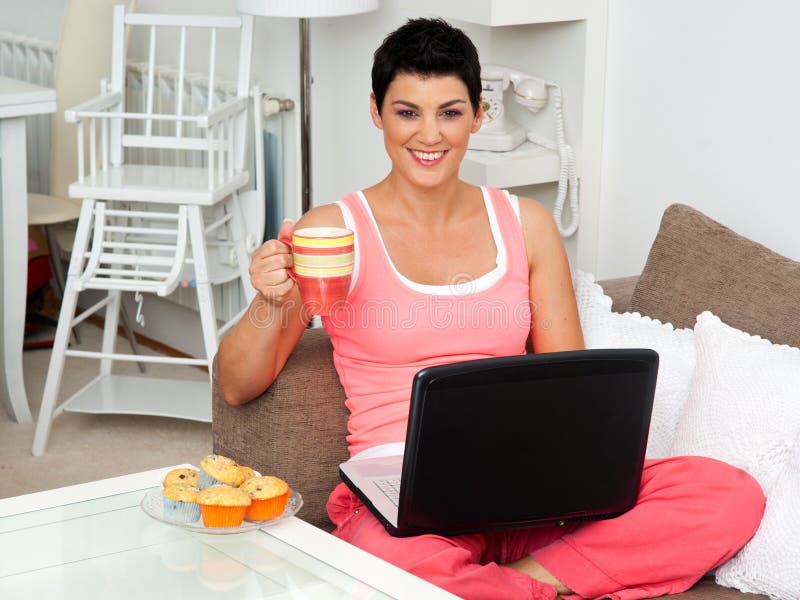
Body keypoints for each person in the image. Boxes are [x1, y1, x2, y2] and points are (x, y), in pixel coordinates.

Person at [218, 17, 765, 600]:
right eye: (408, 112)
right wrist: (270, 300)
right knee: (378, 560)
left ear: (479, 114)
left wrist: (574, 473)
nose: (429, 135)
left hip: (529, 490)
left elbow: (571, 385)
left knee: (727, 492)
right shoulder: (332, 230)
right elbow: (236, 385)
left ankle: (517, 584)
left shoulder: (527, 225)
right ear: (376, 111)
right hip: (407, 504)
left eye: (450, 112)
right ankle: (555, 580)